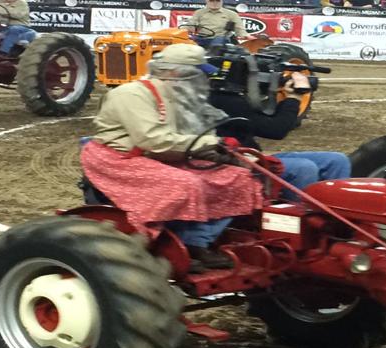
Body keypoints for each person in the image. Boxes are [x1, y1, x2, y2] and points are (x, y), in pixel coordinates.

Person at [83, 43, 261, 271]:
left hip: (162, 154)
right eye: (200, 74)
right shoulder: (131, 94)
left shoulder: (183, 97)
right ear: (177, 73)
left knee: (239, 178)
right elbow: (153, 140)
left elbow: (189, 140)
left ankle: (197, 242)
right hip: (120, 158)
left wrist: (228, 156)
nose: (205, 81)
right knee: (184, 184)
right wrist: (212, 143)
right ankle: (150, 241)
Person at [208, 69, 352, 192]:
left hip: (249, 156)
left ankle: (335, 215)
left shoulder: (226, 98)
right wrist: (294, 97)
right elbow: (275, 129)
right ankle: (298, 218)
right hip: (233, 162)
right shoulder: (223, 100)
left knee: (337, 160)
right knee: (304, 168)